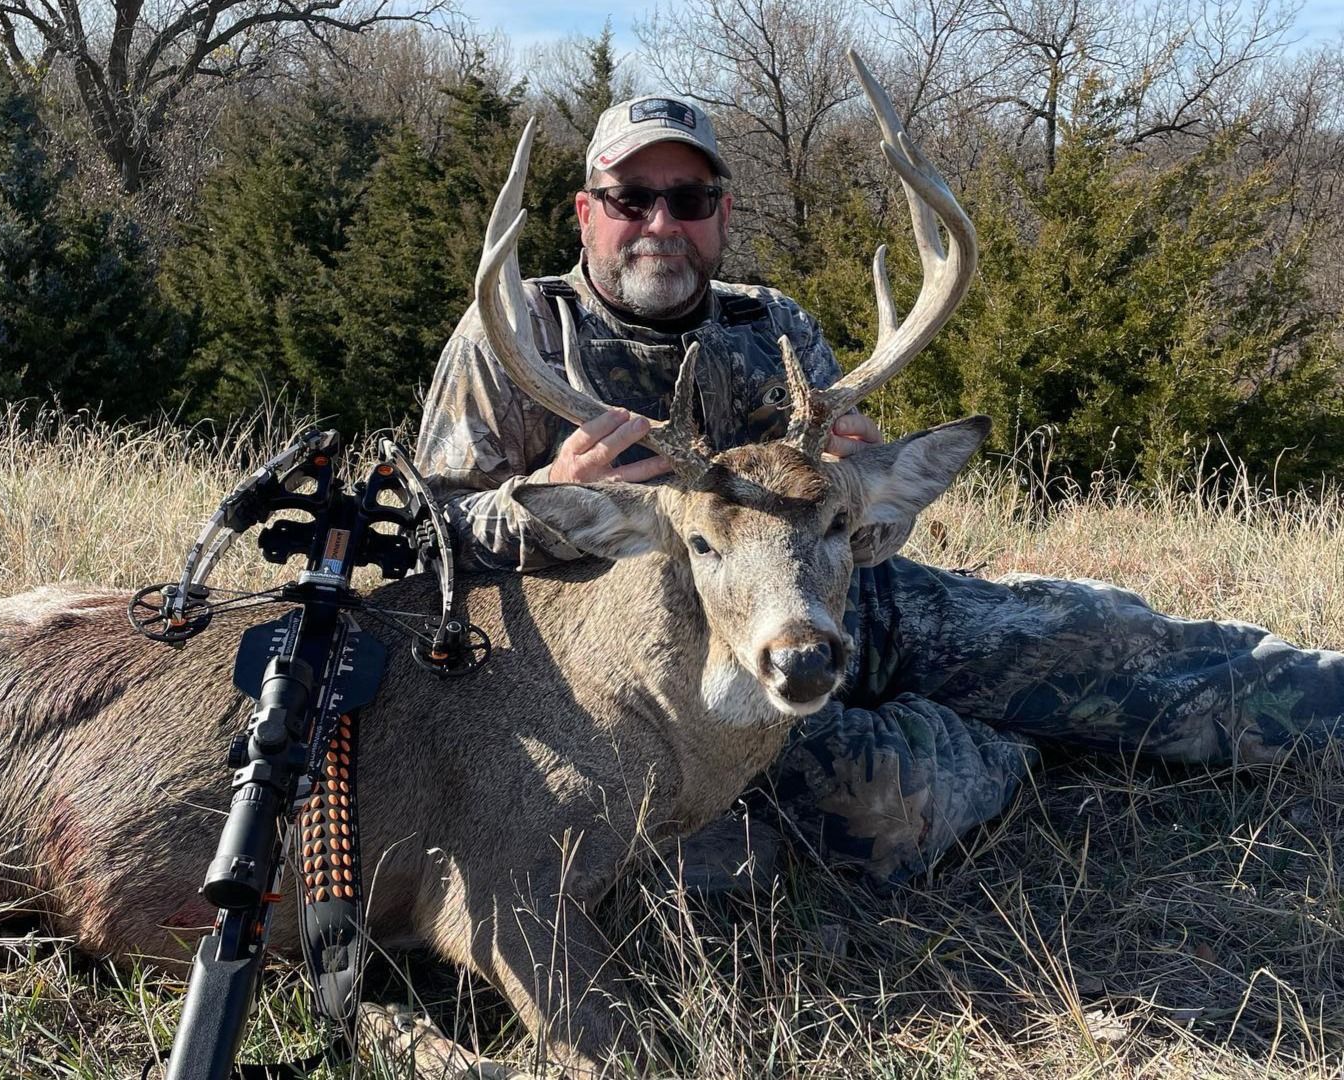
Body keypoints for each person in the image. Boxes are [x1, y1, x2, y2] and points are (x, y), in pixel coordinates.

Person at [414, 95, 1344, 886]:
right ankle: (1015, 742)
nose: (662, 222)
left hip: (836, 597)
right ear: (586, 211)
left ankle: (1318, 695)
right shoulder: (515, 336)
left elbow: (866, 533)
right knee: (881, 809)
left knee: (1097, 645)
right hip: (654, 678)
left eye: (688, 199)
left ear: (722, 213)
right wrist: (549, 495)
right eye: (632, 198)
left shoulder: (772, 323)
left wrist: (860, 491)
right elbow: (428, 534)